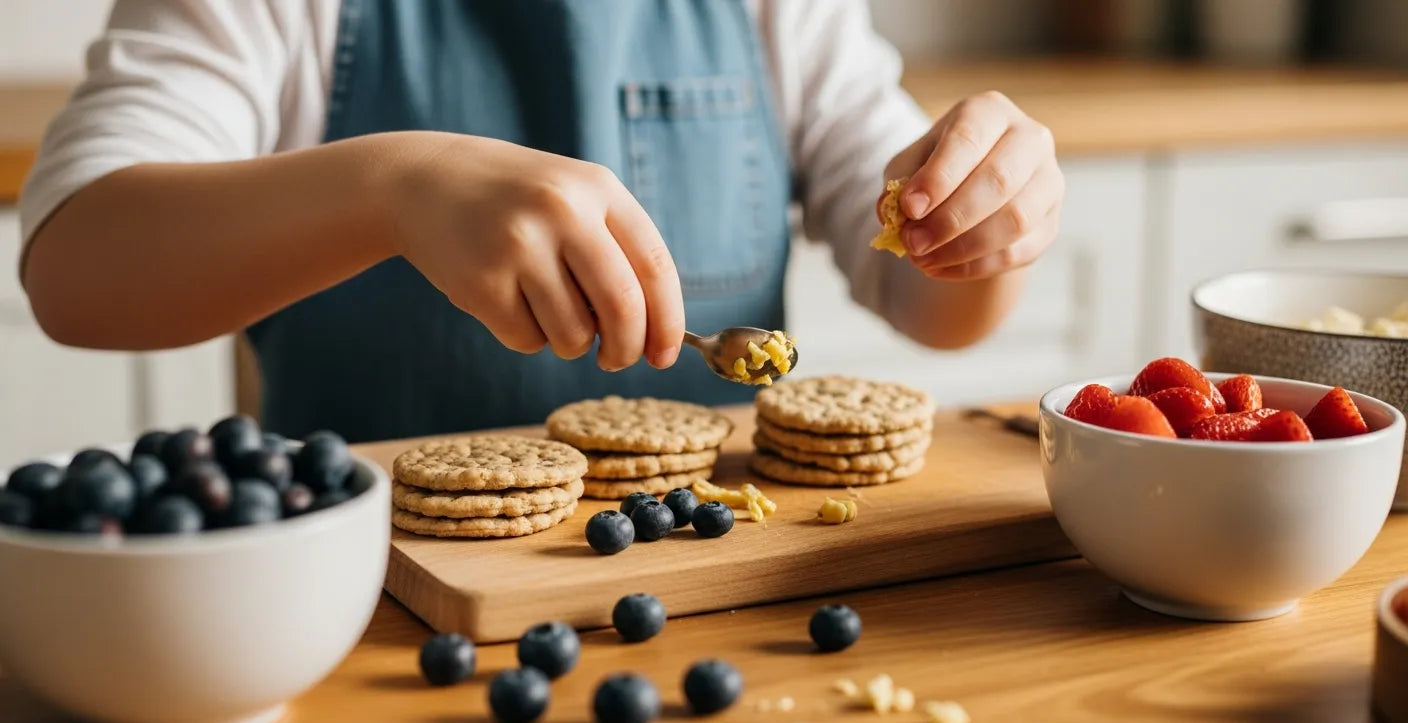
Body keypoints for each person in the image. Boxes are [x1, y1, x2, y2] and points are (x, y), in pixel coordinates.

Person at [18, 0, 1064, 443]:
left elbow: (934, 308)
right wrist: (391, 187)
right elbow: (74, 263)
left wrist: (980, 220)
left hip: (724, 591)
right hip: (362, 618)